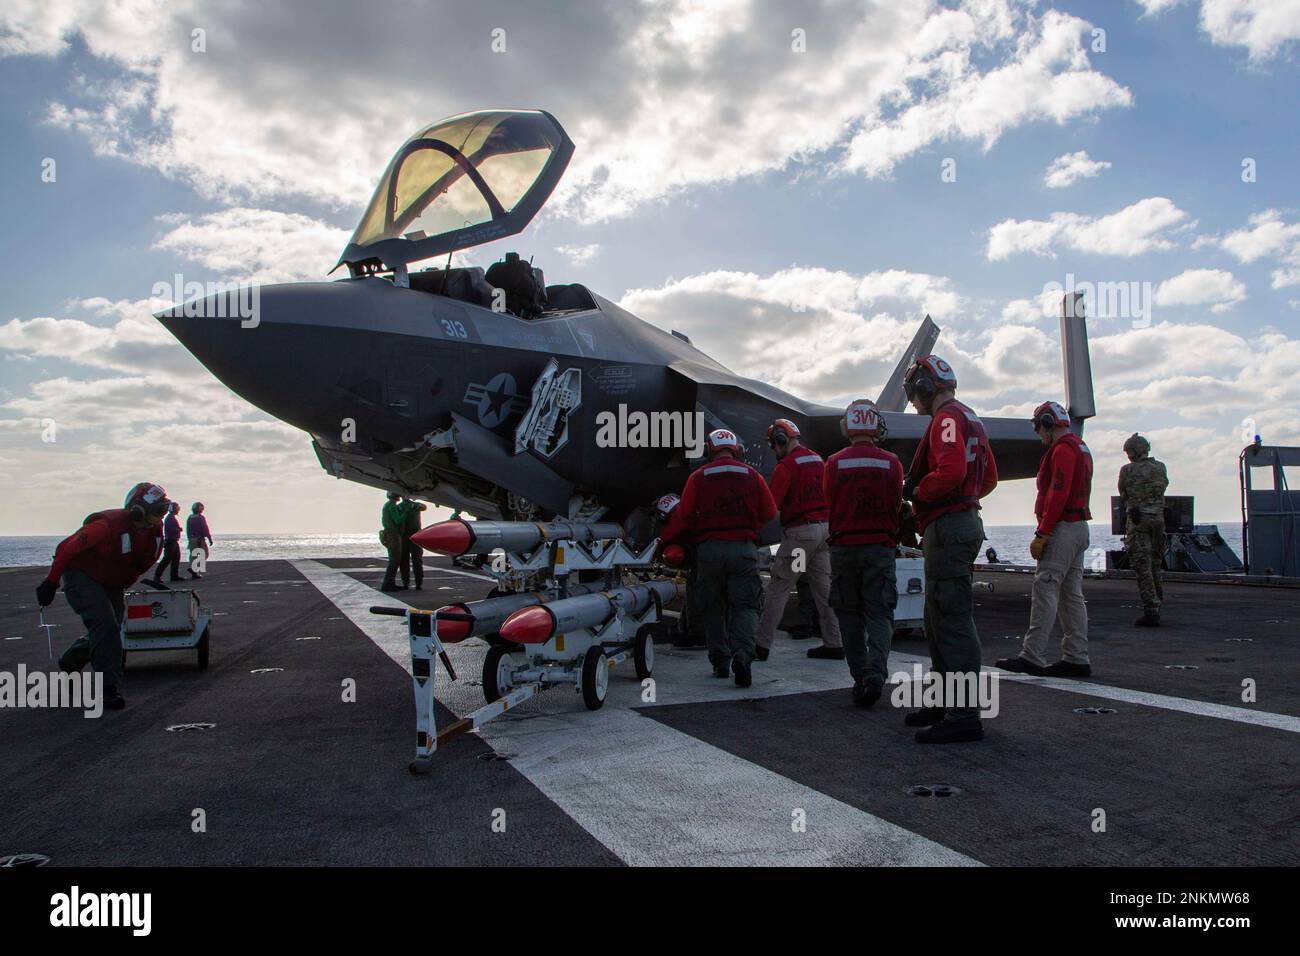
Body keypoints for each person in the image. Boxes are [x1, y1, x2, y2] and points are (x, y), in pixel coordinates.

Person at [901, 354, 999, 744]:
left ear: (924, 387)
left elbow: (952, 472)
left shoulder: (945, 420)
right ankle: (945, 701)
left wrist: (918, 493)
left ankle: (963, 714)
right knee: (937, 617)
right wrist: (965, 500)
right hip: (958, 523)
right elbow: (987, 476)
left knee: (952, 620)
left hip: (948, 526)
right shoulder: (969, 417)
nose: (913, 403)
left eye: (914, 395)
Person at [35, 482, 169, 710]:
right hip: (82, 576)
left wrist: (121, 583)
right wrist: (51, 582)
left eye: (163, 510)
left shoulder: (154, 533)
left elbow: (140, 562)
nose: (161, 516)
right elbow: (68, 549)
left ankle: (71, 661)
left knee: (110, 628)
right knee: (105, 626)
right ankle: (107, 690)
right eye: (158, 510)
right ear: (138, 510)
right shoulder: (107, 526)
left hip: (110, 581)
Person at [661, 428, 776, 687]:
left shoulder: (698, 477)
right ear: (736, 449)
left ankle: (720, 663)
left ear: (710, 450)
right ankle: (743, 656)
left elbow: (685, 514)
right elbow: (769, 511)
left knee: (713, 608)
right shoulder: (753, 476)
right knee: (745, 606)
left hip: (710, 551)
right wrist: (749, 526)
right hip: (744, 549)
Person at [996, 401, 1094, 677]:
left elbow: (1057, 493)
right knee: (1071, 594)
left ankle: (1033, 655)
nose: (1038, 434)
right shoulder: (1080, 447)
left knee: (1045, 589)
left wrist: (1044, 531)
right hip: (1079, 527)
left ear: (1049, 424)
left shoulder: (1062, 450)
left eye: (1039, 427)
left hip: (1062, 528)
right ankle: (1076, 656)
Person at [824, 400, 904, 707]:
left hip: (844, 548)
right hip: (879, 548)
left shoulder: (834, 462)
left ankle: (860, 676)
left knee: (848, 615)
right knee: (880, 613)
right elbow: (896, 502)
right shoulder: (892, 462)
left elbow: (829, 498)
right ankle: (875, 673)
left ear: (847, 427)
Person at [755, 418, 842, 662]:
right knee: (824, 592)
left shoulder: (787, 467)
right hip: (824, 533)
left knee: (780, 587)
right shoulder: (817, 459)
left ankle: (760, 645)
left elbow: (770, 508)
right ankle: (834, 643)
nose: (774, 450)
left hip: (801, 539)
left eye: (774, 445)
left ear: (780, 440)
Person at [1118, 433, 1169, 626]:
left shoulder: (1127, 470)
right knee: (1156, 562)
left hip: (1138, 521)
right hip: (1158, 519)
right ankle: (1158, 599)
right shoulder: (1160, 467)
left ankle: (1151, 609)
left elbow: (1123, 493)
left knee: (1142, 566)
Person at [653, 494, 707, 648]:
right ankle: (684, 628)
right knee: (694, 592)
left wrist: (656, 552)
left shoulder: (678, 518)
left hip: (702, 558)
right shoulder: (689, 510)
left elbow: (667, 535)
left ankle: (697, 635)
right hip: (708, 555)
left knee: (696, 594)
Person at [149, 501, 184, 585]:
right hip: (171, 541)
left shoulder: (171, 517)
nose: (178, 509)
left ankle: (174, 576)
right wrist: (178, 529)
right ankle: (157, 576)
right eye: (177, 508)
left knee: (176, 559)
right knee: (166, 559)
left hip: (173, 541)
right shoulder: (170, 518)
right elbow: (170, 529)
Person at [380, 492, 408, 592]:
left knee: (394, 560)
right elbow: (398, 520)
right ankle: (388, 584)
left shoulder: (388, 505)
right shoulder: (392, 505)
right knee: (394, 560)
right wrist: (406, 512)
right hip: (393, 535)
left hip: (390, 534)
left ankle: (390, 583)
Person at [401, 498, 428, 590]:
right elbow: (424, 507)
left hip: (410, 536)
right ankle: (415, 582)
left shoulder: (413, 505)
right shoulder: (403, 506)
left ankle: (412, 583)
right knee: (414, 560)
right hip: (409, 536)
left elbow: (424, 507)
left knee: (410, 560)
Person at [186, 502, 213, 580]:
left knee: (193, 555)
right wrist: (209, 538)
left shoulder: (190, 517)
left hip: (192, 539)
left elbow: (188, 529)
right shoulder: (200, 518)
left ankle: (194, 571)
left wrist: (189, 539)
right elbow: (205, 529)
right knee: (204, 554)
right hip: (199, 539)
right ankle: (194, 569)